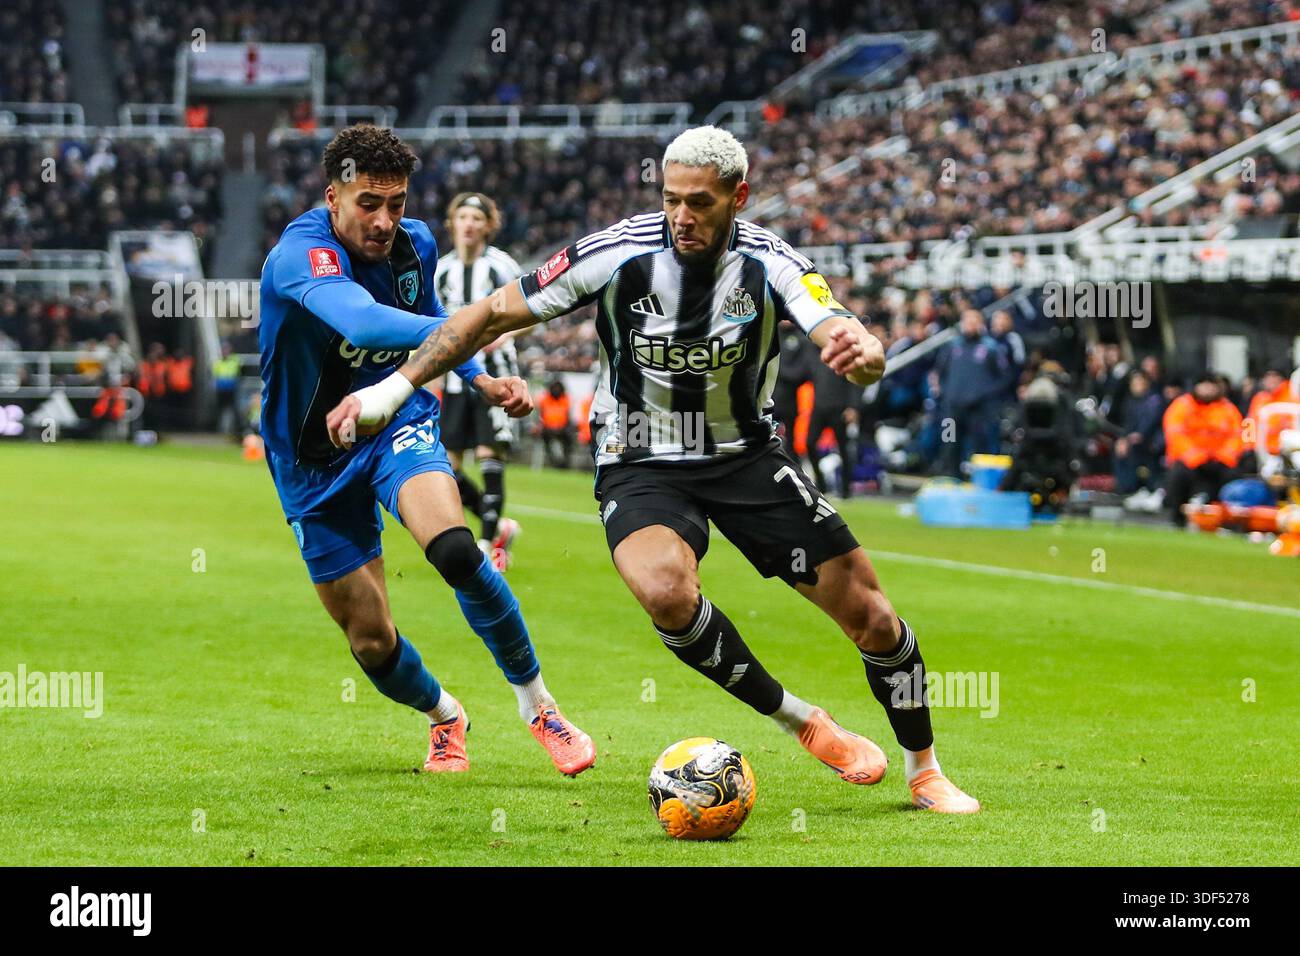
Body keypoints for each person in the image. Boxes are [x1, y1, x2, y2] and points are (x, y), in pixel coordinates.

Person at [330, 126, 979, 813]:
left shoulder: (771, 261)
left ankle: (924, 769)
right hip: (639, 456)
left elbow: (838, 328)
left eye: (700, 202)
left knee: (873, 617)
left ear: (738, 197)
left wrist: (866, 356)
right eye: (671, 199)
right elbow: (490, 313)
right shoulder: (616, 253)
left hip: (745, 456)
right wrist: (391, 391)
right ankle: (800, 720)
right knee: (666, 591)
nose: (681, 216)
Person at [257, 125, 595, 776]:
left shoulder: (415, 245)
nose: (385, 221)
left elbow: (430, 309)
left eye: (397, 203)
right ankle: (445, 715)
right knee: (370, 640)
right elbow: (362, 322)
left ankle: (539, 707)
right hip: (310, 460)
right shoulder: (300, 256)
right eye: (368, 204)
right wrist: (475, 323)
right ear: (333, 198)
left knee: (456, 550)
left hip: (394, 423)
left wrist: (477, 375)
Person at [433, 192, 523, 569]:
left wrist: (506, 334)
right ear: (452, 223)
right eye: (463, 217)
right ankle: (498, 526)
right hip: (456, 380)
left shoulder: (502, 267)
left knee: (490, 456)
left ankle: (487, 546)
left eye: (476, 218)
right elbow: (432, 324)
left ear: (488, 226)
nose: (469, 224)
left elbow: (535, 310)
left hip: (496, 373)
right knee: (448, 468)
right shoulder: (440, 270)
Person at [934, 309, 1008, 477]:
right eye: (967, 321)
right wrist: (946, 393)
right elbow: (940, 371)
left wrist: (984, 394)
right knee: (949, 442)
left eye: (974, 321)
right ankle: (951, 477)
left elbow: (1004, 377)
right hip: (952, 407)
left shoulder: (990, 347)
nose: (970, 325)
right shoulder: (952, 345)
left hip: (979, 408)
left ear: (981, 324)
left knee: (979, 445)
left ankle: (979, 480)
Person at [1162, 374, 1243, 526]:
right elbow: (1175, 435)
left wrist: (1223, 457)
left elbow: (1236, 436)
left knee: (1233, 477)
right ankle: (1177, 517)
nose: (1208, 389)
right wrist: (1196, 457)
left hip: (1219, 460)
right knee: (1179, 475)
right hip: (1189, 460)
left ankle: (1226, 520)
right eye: (1204, 385)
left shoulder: (1228, 409)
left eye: (1211, 385)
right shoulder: (1182, 406)